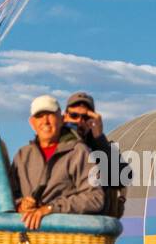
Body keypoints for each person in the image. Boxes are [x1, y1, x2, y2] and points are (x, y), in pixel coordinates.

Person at [11, 94, 104, 230]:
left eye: (50, 115)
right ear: (32, 123)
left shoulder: (79, 152)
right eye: (39, 116)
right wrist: (20, 205)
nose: (45, 121)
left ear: (61, 119)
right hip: (28, 236)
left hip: (63, 237)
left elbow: (95, 198)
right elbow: (8, 196)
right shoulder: (22, 155)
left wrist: (52, 208)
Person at [64, 90, 126, 217]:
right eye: (74, 115)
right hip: (64, 223)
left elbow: (121, 178)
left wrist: (99, 138)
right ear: (65, 116)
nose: (80, 121)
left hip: (96, 225)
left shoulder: (101, 147)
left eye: (86, 117)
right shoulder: (54, 146)